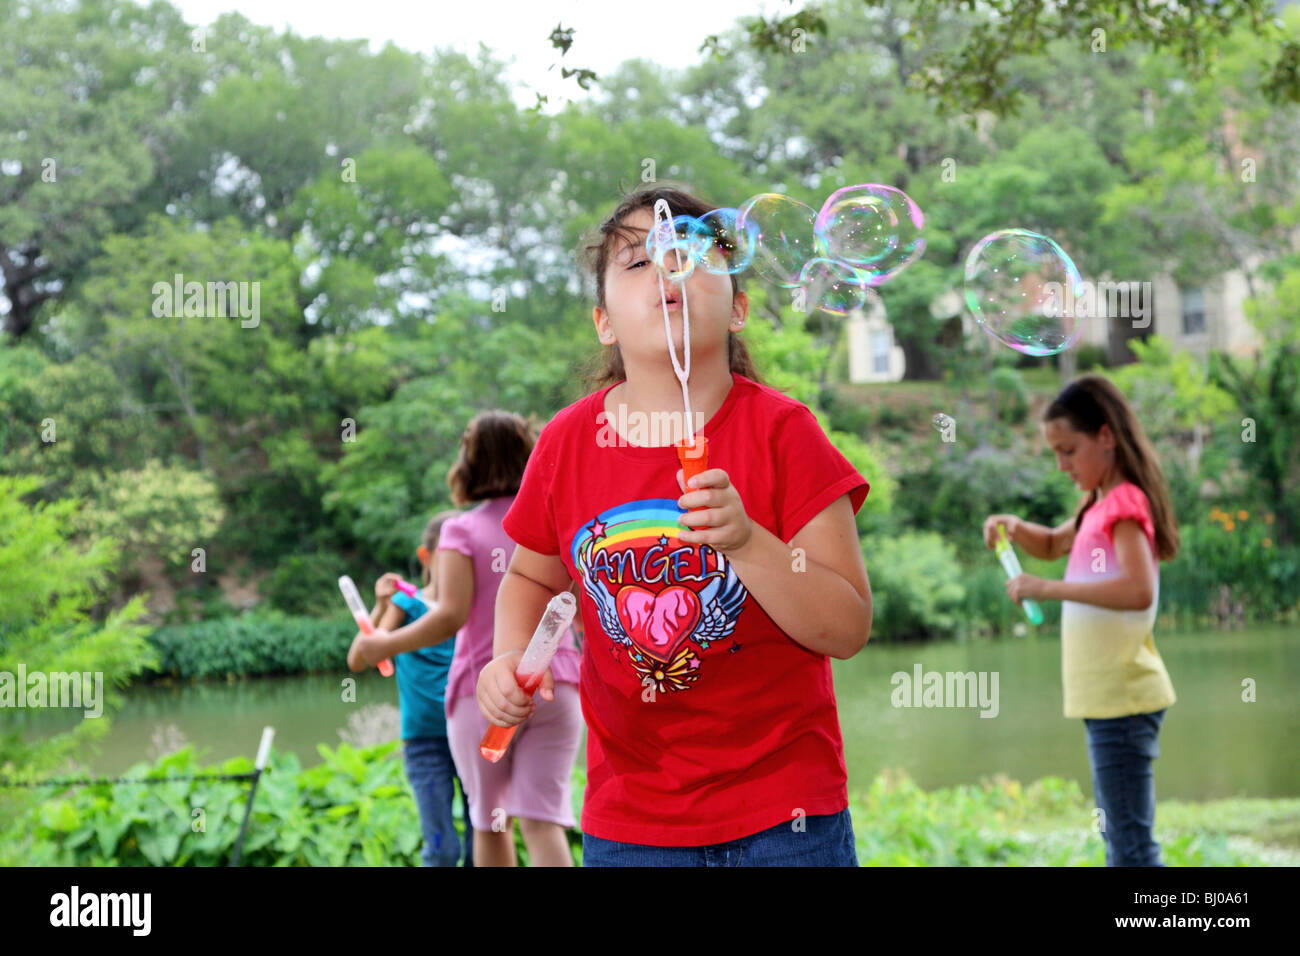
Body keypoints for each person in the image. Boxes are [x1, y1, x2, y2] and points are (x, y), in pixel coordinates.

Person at [477, 183, 873, 867]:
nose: (666, 271)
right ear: (605, 322)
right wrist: (509, 655)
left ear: (739, 308)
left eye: (691, 257)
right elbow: (529, 577)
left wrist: (748, 543)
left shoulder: (785, 434)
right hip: (634, 822)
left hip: (786, 812)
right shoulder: (569, 443)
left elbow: (846, 626)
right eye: (637, 262)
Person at [350, 411, 583, 867]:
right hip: (557, 685)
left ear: (468, 461)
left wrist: (384, 645)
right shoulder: (555, 519)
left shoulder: (459, 530)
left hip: (485, 691)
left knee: (491, 821)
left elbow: (449, 615)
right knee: (542, 823)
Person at [983, 374, 1178, 867]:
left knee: (1130, 847)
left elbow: (1138, 590)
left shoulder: (1125, 504)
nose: (1061, 465)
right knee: (1123, 842)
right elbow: (1051, 543)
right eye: (1055, 453)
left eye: (1069, 450)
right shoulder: (1097, 504)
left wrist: (1046, 589)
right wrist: (1015, 527)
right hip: (1109, 701)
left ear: (1106, 436)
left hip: (1124, 701)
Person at [347, 511, 472, 867]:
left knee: (482, 843)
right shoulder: (408, 603)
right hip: (425, 741)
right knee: (442, 848)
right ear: (426, 557)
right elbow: (359, 658)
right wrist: (381, 605)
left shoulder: (472, 606)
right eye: (446, 553)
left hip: (472, 733)